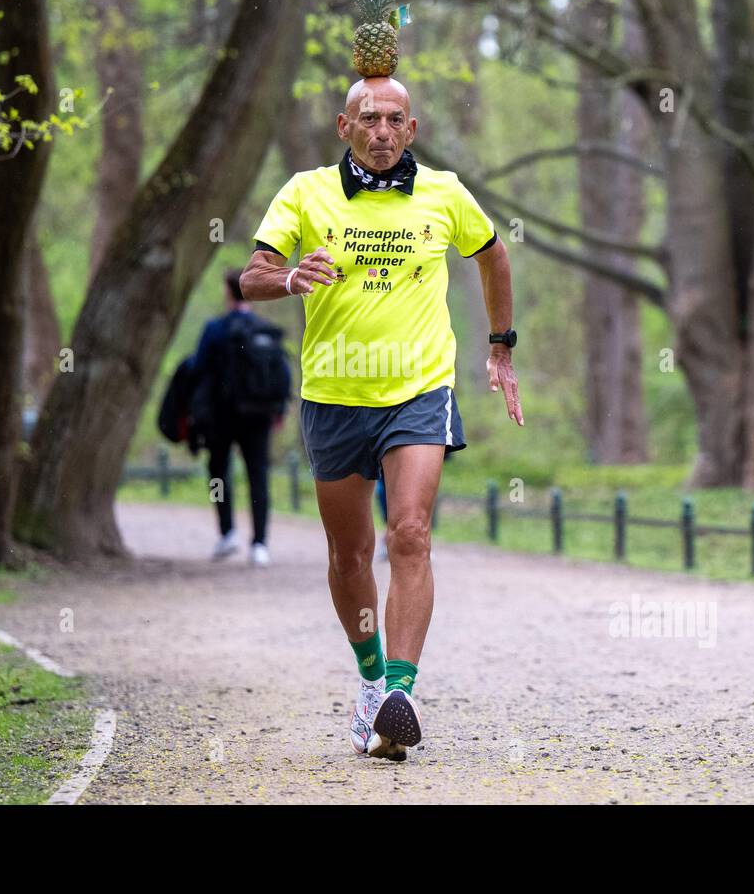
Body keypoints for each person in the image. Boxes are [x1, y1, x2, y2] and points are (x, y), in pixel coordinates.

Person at [239, 76, 521, 761]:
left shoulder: (445, 193)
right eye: (370, 118)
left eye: (396, 119)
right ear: (345, 125)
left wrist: (500, 347)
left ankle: (402, 692)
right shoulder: (305, 191)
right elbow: (251, 276)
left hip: (419, 389)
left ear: (412, 129)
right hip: (334, 395)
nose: (383, 130)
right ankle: (370, 683)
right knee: (349, 554)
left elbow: (493, 256)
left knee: (412, 533)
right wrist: (289, 280)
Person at [193, 268, 291, 567]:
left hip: (221, 416)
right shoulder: (265, 330)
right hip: (258, 416)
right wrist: (279, 410)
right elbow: (282, 375)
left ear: (227, 291)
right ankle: (260, 544)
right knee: (257, 475)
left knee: (219, 471)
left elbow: (199, 368)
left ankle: (227, 533)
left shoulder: (215, 329)